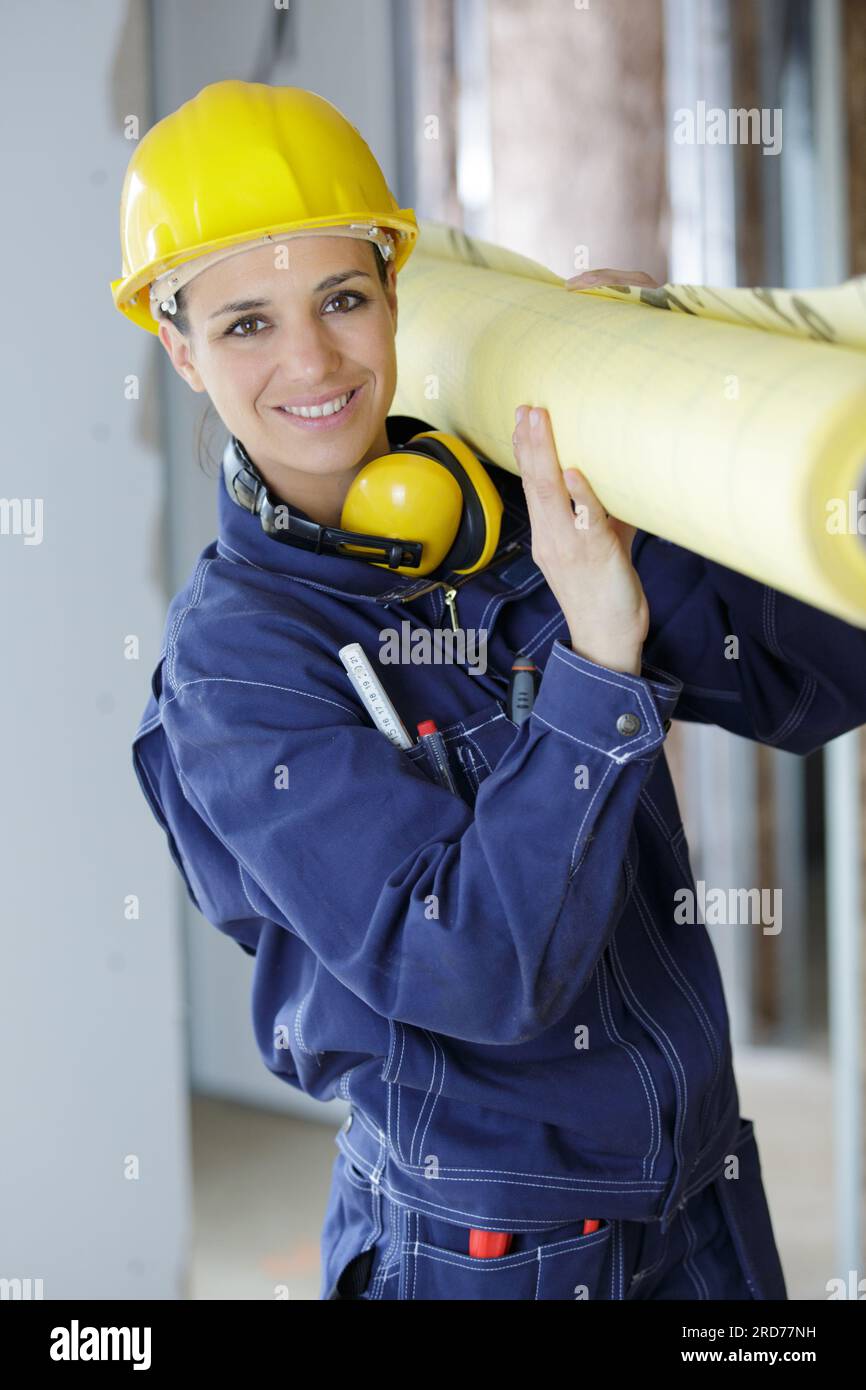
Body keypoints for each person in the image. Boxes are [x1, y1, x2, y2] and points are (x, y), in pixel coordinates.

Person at [113, 79, 866, 1301]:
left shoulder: (507, 515)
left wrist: (687, 398)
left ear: (393, 298)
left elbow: (803, 682)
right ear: (179, 350)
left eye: (342, 298)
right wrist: (593, 666)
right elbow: (473, 971)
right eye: (246, 323)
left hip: (700, 1185)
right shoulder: (237, 668)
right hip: (493, 1245)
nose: (311, 359)